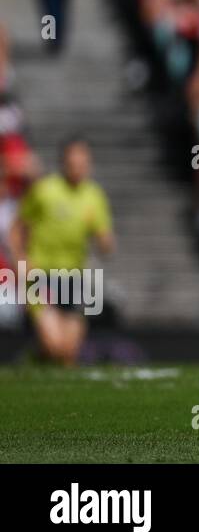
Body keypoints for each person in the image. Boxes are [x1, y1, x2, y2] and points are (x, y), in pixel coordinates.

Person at [7, 137, 115, 365]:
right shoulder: (44, 190)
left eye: (83, 163)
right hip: (40, 275)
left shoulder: (94, 196)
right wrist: (21, 260)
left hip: (73, 278)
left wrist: (106, 242)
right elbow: (16, 229)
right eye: (74, 162)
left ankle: (38, 363)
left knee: (69, 352)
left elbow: (104, 236)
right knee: (54, 344)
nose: (78, 168)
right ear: (64, 162)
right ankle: (33, 358)